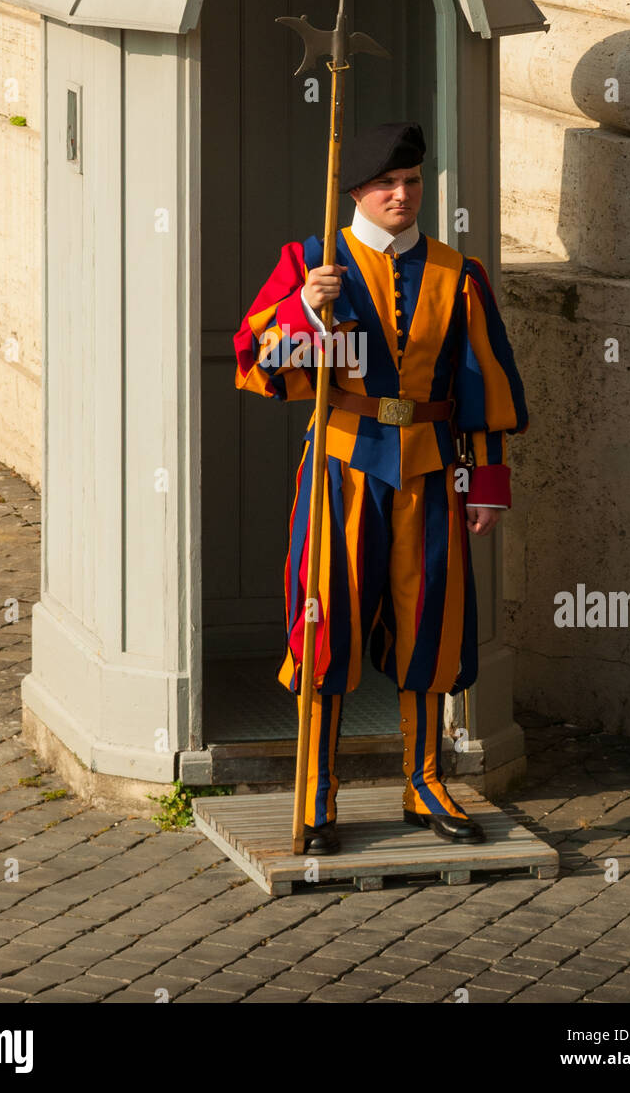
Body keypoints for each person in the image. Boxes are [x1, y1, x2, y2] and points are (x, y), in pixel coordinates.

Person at [233, 121, 528, 854]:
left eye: (412, 183)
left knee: (432, 622)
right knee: (324, 621)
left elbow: (481, 382)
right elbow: (259, 364)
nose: (402, 195)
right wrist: (304, 308)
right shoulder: (309, 263)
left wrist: (485, 479)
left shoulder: (458, 272)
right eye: (385, 185)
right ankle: (315, 788)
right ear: (357, 191)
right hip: (341, 464)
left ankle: (423, 780)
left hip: (430, 469)